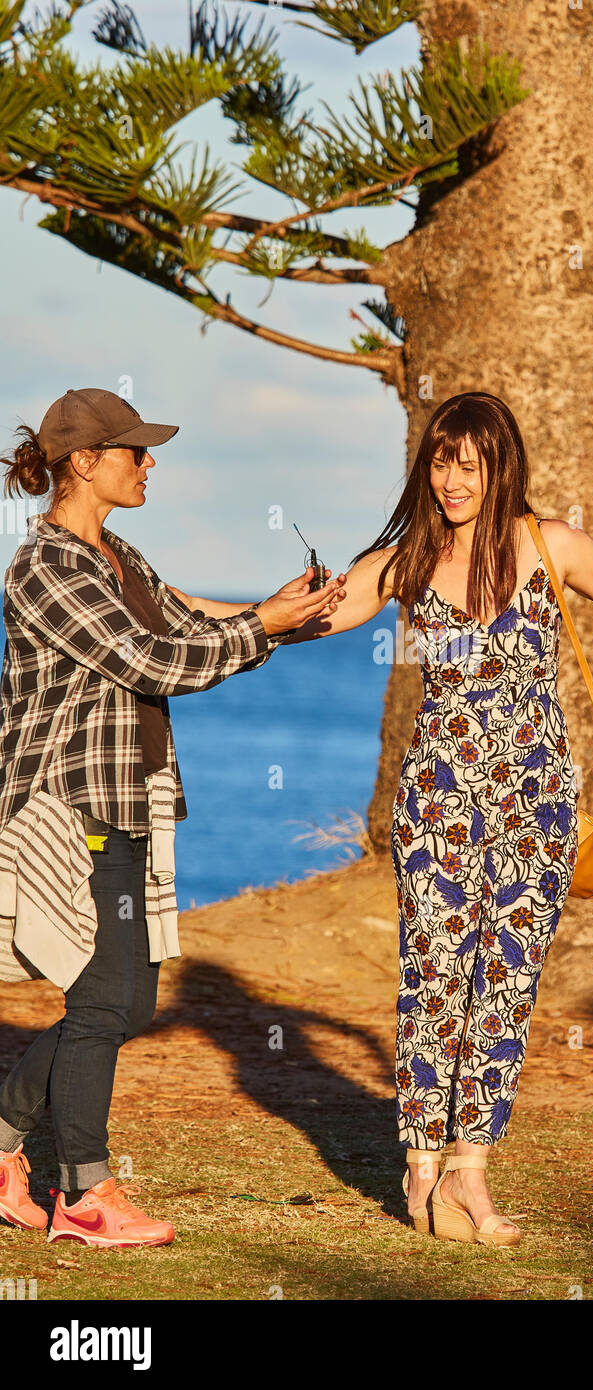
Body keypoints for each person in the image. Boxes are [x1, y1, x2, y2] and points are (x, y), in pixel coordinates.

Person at [280, 390, 593, 1246]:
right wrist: (218, 617)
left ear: (499, 466)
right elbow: (314, 616)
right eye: (442, 461)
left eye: (470, 463)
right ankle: (420, 1167)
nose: (453, 479)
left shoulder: (548, 543)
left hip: (537, 797)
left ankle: (471, 1170)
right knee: (435, 970)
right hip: (439, 798)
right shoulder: (407, 557)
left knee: (508, 981)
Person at [0, 387, 344, 1248]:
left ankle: (3, 1142)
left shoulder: (119, 556)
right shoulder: (45, 568)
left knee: (128, 996)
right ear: (85, 462)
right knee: (103, 995)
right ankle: (83, 1194)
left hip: (131, 801)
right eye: (135, 451)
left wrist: (287, 616)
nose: (150, 463)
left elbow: (191, 621)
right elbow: (148, 659)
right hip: (70, 807)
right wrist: (262, 626)